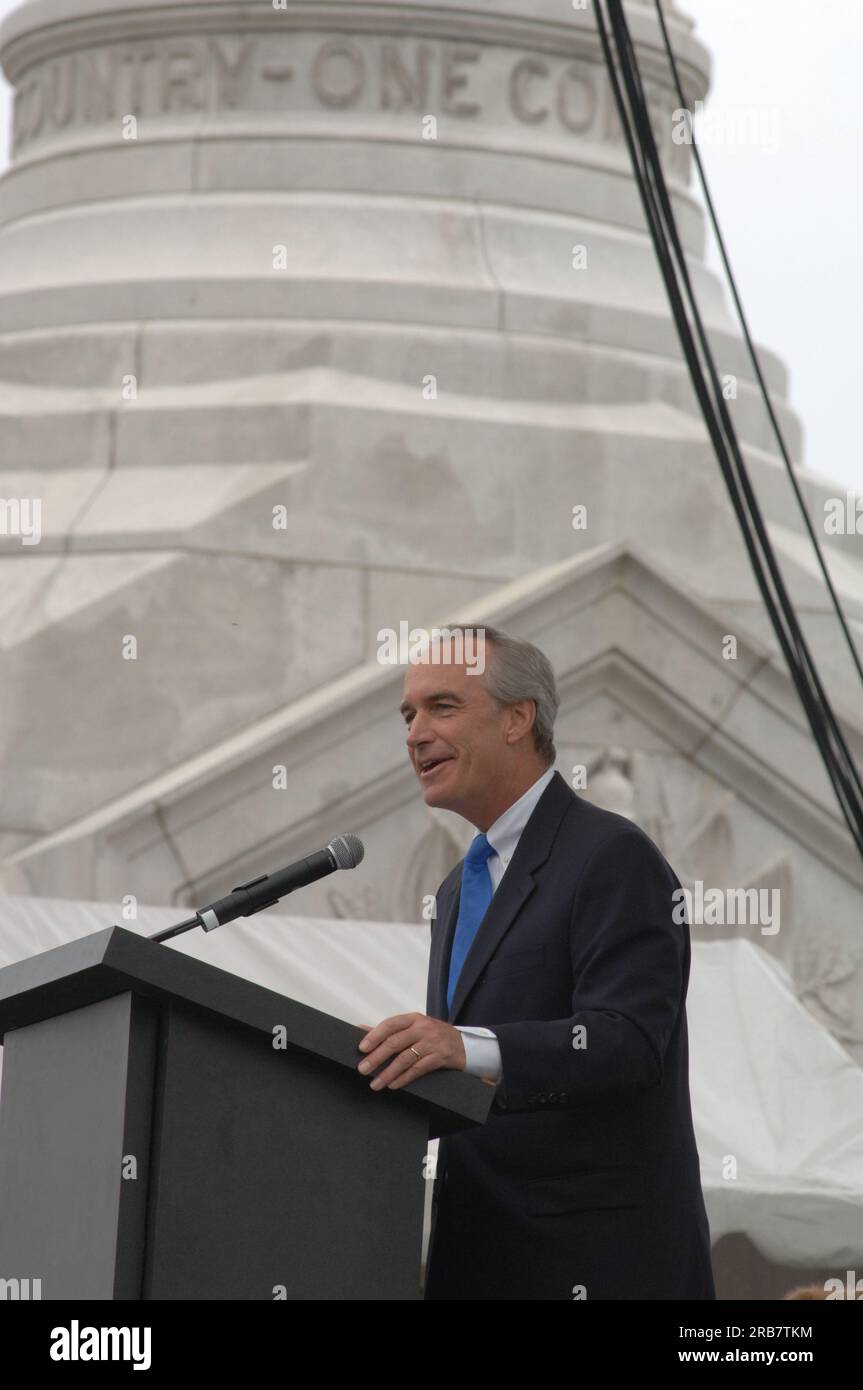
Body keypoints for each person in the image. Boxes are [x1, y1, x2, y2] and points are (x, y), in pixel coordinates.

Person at [357, 624, 715, 1300]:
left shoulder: (610, 856)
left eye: (441, 706)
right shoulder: (455, 893)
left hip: (595, 1265)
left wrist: (464, 1046)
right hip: (479, 1260)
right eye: (407, 714)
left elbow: (628, 1041)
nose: (413, 733)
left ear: (518, 718)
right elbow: (464, 1082)